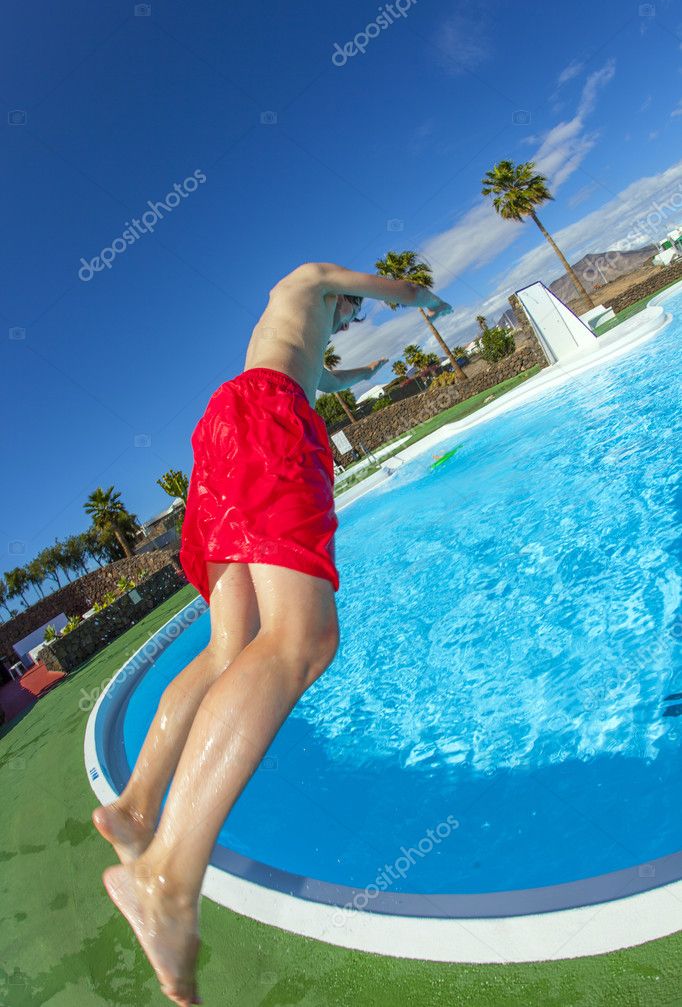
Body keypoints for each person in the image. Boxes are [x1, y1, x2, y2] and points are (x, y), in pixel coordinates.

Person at [91, 262, 452, 1006]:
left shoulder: (298, 348)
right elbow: (319, 272)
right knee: (301, 640)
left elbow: (327, 375)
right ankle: (163, 878)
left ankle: (134, 806)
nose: (345, 321)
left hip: (229, 433)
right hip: (268, 420)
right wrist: (414, 294)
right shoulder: (307, 288)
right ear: (342, 300)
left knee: (232, 645)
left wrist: (364, 369)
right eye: (349, 312)